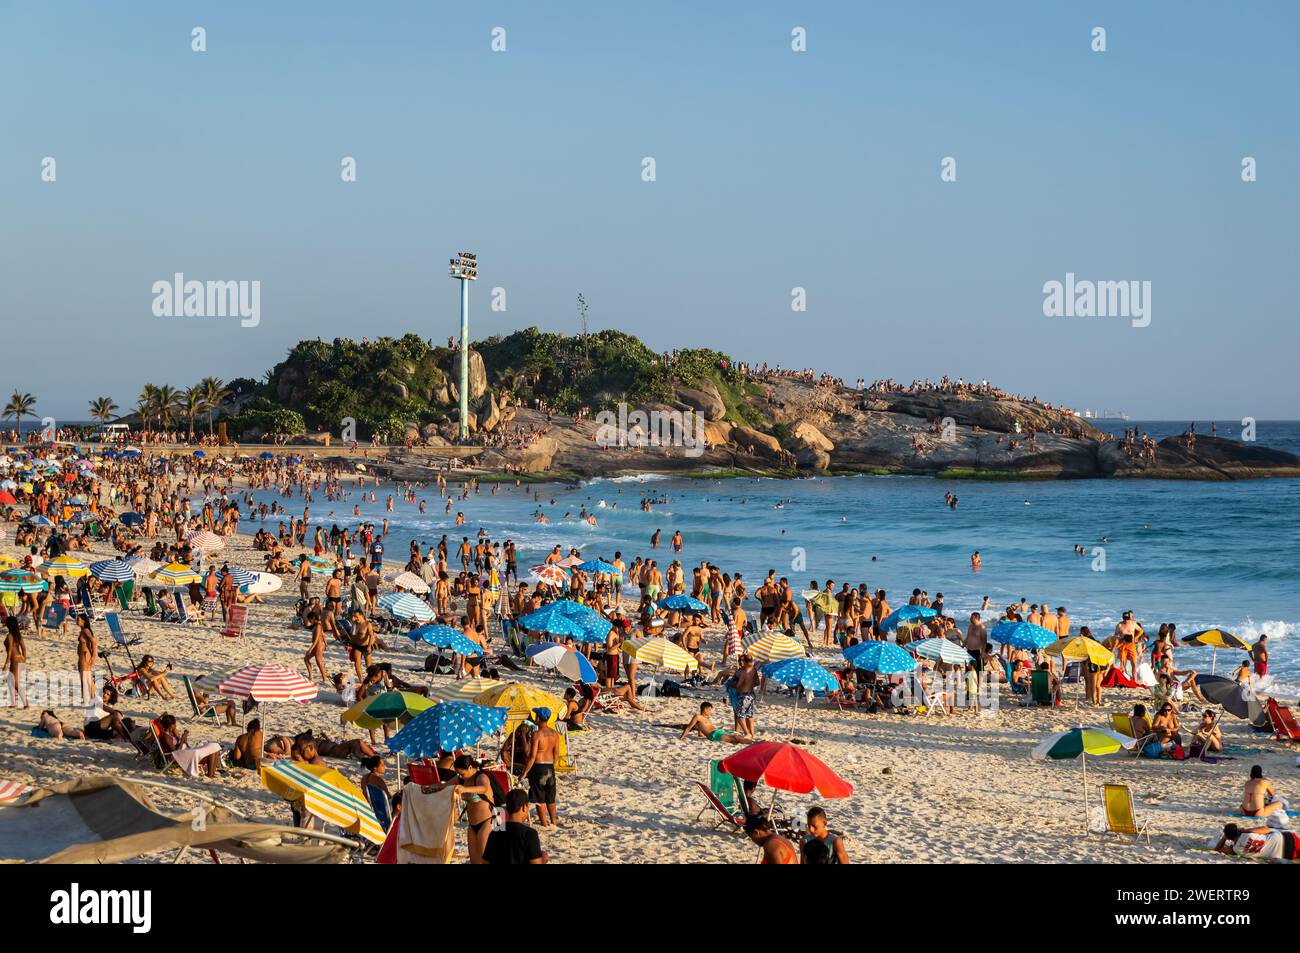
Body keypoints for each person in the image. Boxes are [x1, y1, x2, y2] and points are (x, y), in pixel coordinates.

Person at [452, 754, 499, 863]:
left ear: (469, 768)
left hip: (489, 820)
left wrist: (465, 789)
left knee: (486, 858)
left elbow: (484, 788)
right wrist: (428, 788)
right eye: (458, 774)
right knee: (475, 861)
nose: (461, 776)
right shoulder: (461, 779)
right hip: (472, 824)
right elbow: (443, 786)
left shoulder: (481, 777)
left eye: (462, 773)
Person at [483, 789, 547, 864]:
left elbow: (485, 862)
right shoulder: (529, 834)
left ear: (507, 808)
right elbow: (535, 863)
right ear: (524, 807)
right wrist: (543, 859)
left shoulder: (495, 832)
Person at [521, 708, 559, 827]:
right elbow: (556, 754)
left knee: (539, 798)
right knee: (550, 797)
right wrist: (552, 766)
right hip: (550, 767)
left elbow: (532, 756)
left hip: (538, 768)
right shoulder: (554, 734)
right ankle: (553, 821)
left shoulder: (537, 735)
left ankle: (544, 824)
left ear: (538, 718)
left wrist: (525, 772)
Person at [1214, 823, 1300, 860]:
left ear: (1229, 838)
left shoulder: (1236, 849)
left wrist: (1224, 838)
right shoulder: (1248, 832)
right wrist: (1244, 830)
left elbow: (1218, 849)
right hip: (1284, 838)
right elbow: (1266, 829)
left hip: (1283, 853)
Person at [679, 702, 748, 744]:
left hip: (718, 732)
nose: (710, 712)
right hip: (713, 735)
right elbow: (689, 728)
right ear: (705, 709)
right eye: (709, 710)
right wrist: (681, 738)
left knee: (737, 737)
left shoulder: (706, 718)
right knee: (735, 738)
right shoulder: (698, 717)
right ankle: (752, 744)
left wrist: (699, 734)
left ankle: (752, 743)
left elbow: (699, 726)